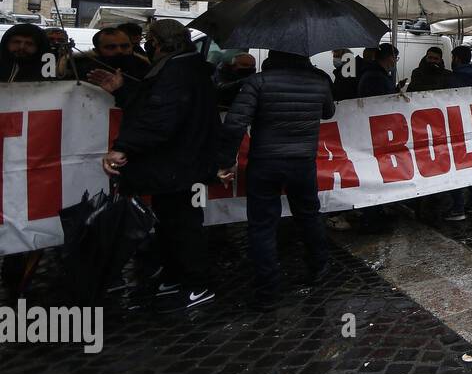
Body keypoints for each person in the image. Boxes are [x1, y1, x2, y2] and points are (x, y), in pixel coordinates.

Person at [96, 20, 220, 312]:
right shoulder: (186, 67)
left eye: (149, 40)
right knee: (172, 223)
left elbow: (160, 117)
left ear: (157, 42)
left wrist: (124, 147)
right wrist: (123, 92)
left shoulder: (177, 70)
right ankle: (177, 276)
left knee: (183, 224)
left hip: (179, 163)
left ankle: (196, 284)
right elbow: (156, 107)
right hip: (180, 162)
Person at [215, 50, 335, 307]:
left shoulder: (258, 82)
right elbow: (328, 112)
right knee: (309, 216)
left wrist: (226, 161)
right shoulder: (319, 81)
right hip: (303, 162)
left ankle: (268, 290)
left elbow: (235, 123)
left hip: (265, 162)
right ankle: (319, 267)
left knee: (261, 225)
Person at [1, 24, 53, 302]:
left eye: (28, 44)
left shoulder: (52, 79)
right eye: (16, 42)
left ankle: (17, 280)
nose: (21, 48)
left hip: (29, 163)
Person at [445, 45, 472, 219]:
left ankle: (457, 207)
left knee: (456, 167)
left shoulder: (453, 78)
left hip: (456, 128)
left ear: (456, 58)